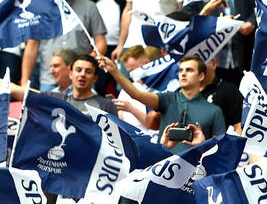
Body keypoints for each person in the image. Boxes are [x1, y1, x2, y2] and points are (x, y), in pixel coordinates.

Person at [97, 53, 227, 153]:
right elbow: (136, 94)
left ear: (201, 76)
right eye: (181, 70)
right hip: (163, 170)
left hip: (195, 174)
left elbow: (219, 151)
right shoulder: (167, 99)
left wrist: (202, 145)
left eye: (189, 70)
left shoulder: (214, 111)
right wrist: (114, 70)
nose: (183, 74)